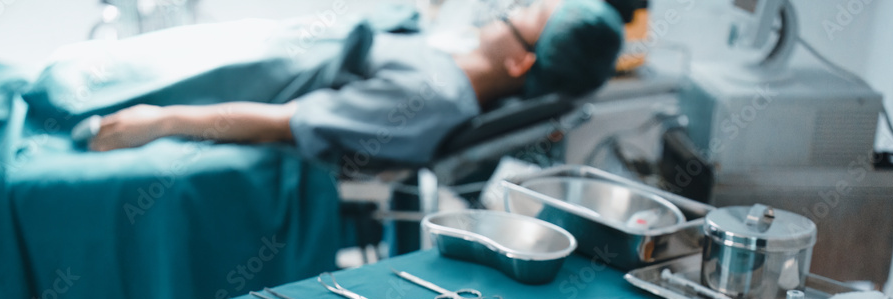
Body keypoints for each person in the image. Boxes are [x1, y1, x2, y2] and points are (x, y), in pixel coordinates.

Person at [89, 0, 624, 166]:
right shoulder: (454, 55)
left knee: (86, 87)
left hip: (248, 74)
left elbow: (285, 122)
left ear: (519, 65)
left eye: (520, 14)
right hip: (264, 44)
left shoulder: (430, 98)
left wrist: (162, 119)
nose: (505, 10)